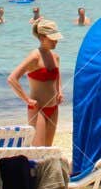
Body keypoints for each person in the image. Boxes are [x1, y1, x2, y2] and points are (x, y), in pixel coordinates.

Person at [9, 18, 63, 146]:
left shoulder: (55, 57)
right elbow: (12, 78)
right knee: (39, 150)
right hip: (38, 109)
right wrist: (27, 100)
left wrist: (60, 91)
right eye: (52, 38)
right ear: (42, 37)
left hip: (54, 107)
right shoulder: (34, 57)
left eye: (56, 38)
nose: (56, 41)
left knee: (48, 148)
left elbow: (57, 75)